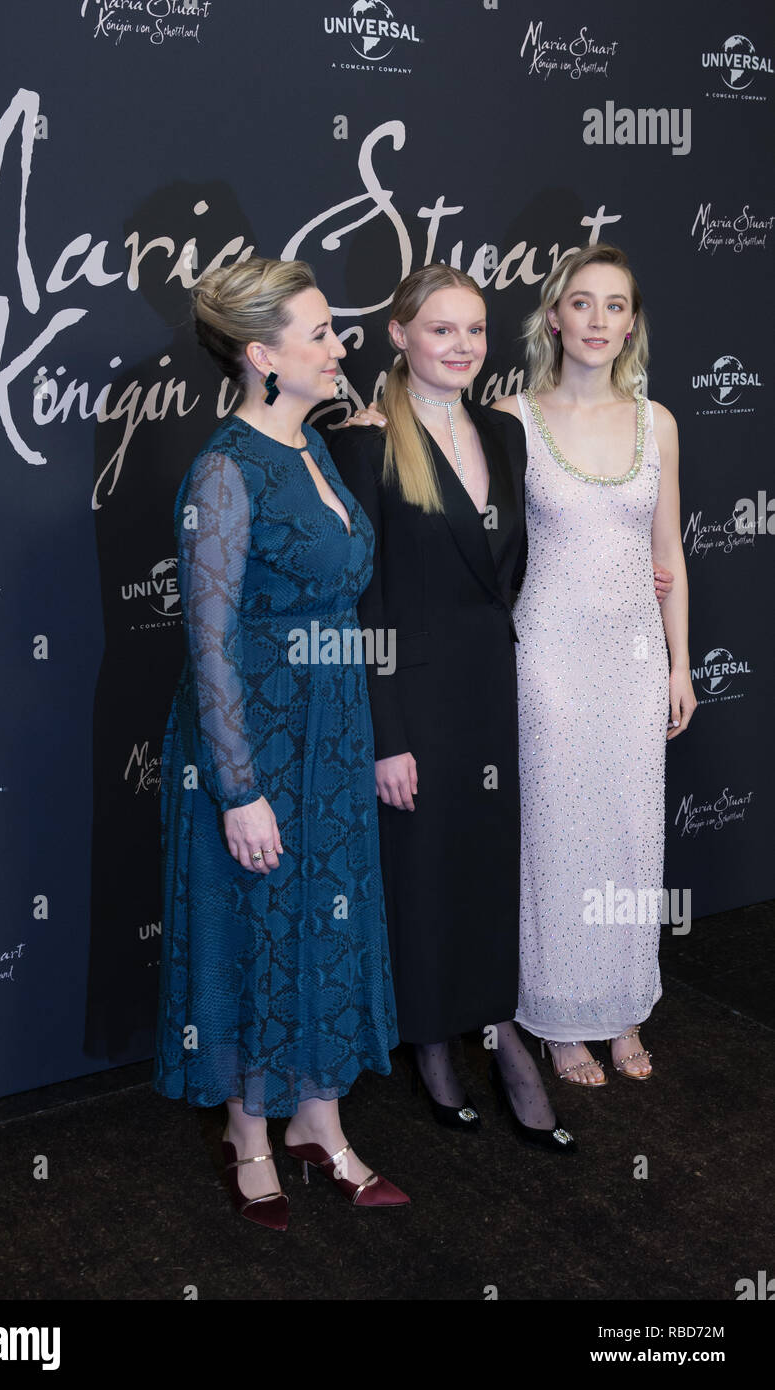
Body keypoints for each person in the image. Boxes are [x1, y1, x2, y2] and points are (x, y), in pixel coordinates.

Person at [152, 257, 408, 1229]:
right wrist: (236, 789)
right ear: (261, 356)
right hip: (251, 743)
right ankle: (248, 1137)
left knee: (322, 920)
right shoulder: (222, 471)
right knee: (254, 923)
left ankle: (318, 1119)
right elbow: (207, 642)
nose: (337, 343)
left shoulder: (312, 449)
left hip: (331, 732)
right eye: (317, 333)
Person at [331, 265, 577, 1152]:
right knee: (424, 874)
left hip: (491, 691)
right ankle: (434, 1042)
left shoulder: (504, 435)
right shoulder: (362, 444)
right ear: (399, 335)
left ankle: (497, 1027)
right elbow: (364, 605)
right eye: (441, 330)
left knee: (484, 868)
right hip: (415, 701)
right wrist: (385, 739)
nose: (463, 346)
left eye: (474, 329)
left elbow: (513, 571)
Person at [492, 244, 696, 1085]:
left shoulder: (660, 422)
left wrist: (682, 665)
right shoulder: (513, 416)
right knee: (553, 838)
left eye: (616, 307)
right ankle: (557, 1016)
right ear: (554, 317)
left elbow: (669, 554)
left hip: (635, 658)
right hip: (546, 657)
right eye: (583, 304)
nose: (599, 321)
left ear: (632, 324)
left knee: (629, 833)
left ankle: (620, 1007)